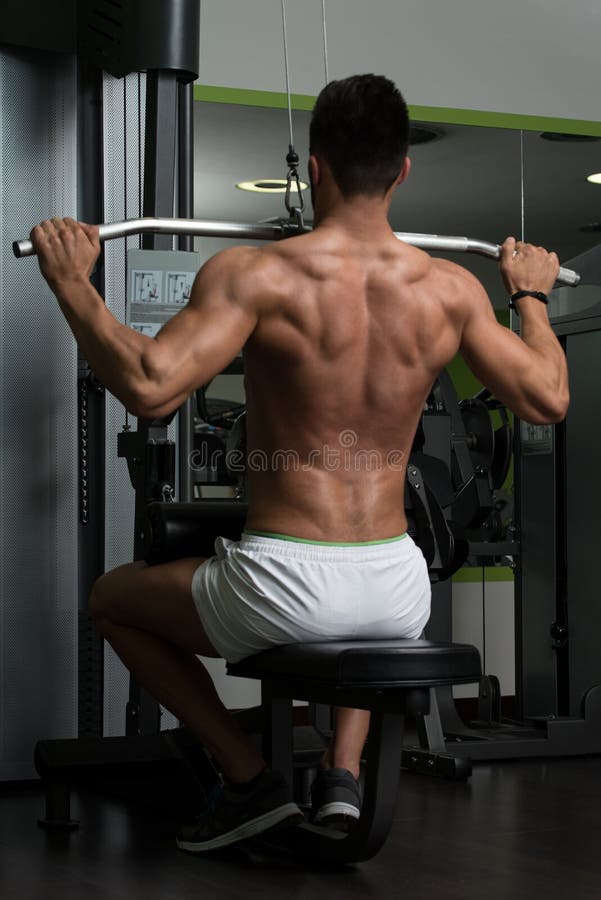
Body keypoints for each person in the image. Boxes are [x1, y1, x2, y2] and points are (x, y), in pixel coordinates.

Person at [31, 74, 569, 853]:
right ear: (402, 171)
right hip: (397, 587)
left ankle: (249, 781)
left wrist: (73, 285)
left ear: (312, 167)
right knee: (368, 620)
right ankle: (340, 779)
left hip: (284, 582)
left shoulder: (256, 276)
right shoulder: (449, 290)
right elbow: (547, 397)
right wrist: (529, 298)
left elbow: (150, 390)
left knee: (112, 598)